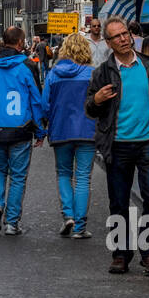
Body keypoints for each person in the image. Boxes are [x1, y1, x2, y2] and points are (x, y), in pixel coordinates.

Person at [86, 18, 149, 274]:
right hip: (118, 144)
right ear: (109, 43)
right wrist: (97, 98)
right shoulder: (102, 72)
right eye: (116, 37)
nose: (123, 39)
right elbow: (90, 108)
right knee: (118, 202)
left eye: (125, 34)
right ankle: (120, 254)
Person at [0, 26, 46, 236]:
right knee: (18, 176)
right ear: (21, 43)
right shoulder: (27, 66)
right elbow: (36, 101)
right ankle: (12, 222)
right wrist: (40, 130)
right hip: (20, 129)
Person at [44, 32, 97, 238]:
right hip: (87, 130)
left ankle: (68, 215)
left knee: (64, 174)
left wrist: (48, 123)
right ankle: (80, 226)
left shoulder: (54, 73)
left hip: (61, 130)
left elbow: (44, 104)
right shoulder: (92, 74)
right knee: (83, 177)